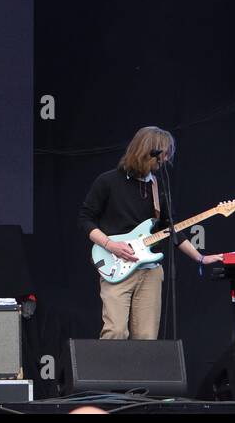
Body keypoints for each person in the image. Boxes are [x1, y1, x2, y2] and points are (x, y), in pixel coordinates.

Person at [78, 126, 222, 340]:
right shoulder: (107, 181)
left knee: (146, 338)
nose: (164, 160)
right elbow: (85, 218)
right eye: (162, 155)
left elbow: (170, 229)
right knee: (115, 332)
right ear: (145, 151)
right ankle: (108, 375)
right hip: (116, 264)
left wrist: (200, 257)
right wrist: (110, 245)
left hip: (150, 270)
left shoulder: (158, 186)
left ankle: (140, 375)